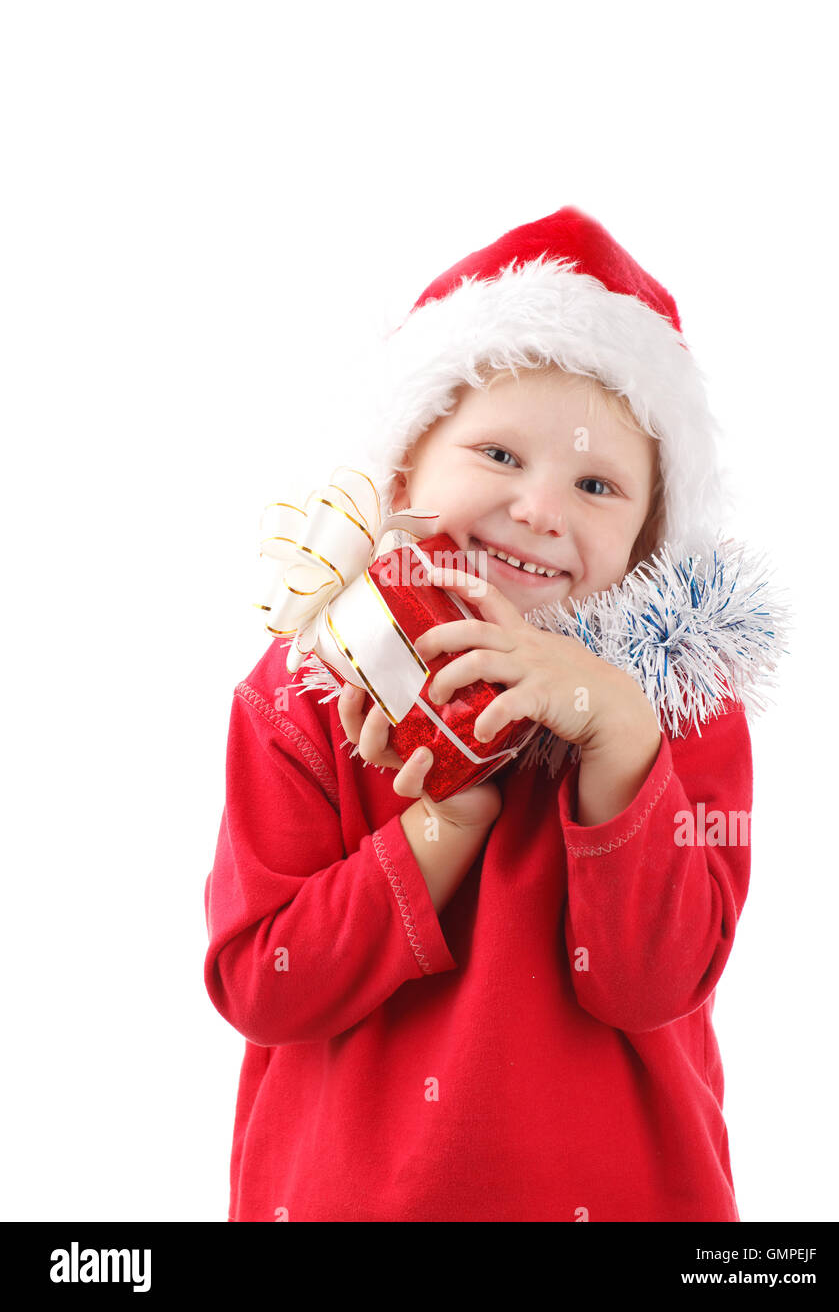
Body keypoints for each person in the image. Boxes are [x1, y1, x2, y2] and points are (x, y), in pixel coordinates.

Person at [203, 205, 786, 1222]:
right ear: (407, 467)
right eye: (500, 457)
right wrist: (441, 828)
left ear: (648, 539)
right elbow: (261, 983)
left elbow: (654, 984)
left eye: (596, 483)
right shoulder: (304, 690)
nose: (540, 510)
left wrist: (616, 739)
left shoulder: (680, 710)